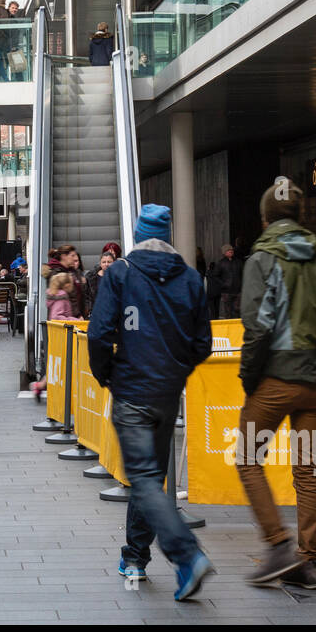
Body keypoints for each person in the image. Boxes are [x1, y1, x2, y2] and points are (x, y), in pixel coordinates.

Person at [236, 181, 316, 590]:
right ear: (301, 217)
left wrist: (250, 380)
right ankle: (309, 563)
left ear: (265, 218)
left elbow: (257, 327)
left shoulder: (261, 260)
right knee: (306, 469)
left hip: (274, 381)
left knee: (248, 457)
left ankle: (277, 544)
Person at [87, 204, 214, 600]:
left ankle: (187, 555)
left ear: (139, 234)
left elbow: (98, 333)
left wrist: (107, 373)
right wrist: (176, 371)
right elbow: (202, 344)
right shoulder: (191, 279)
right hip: (167, 394)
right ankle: (135, 556)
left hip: (132, 389)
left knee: (142, 478)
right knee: (150, 479)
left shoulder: (121, 273)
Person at [44, 244, 89, 318]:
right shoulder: (55, 273)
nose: (75, 258)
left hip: (77, 316)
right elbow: (62, 297)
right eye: (72, 255)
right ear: (63, 256)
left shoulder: (74, 271)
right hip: (66, 318)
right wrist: (77, 315)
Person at [213, 244, 243, 319]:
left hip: (237, 291)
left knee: (237, 311)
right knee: (228, 312)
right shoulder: (220, 263)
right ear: (224, 252)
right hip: (226, 291)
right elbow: (215, 276)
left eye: (232, 250)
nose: (231, 251)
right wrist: (223, 284)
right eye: (229, 250)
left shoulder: (238, 262)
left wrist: (241, 284)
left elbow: (242, 274)